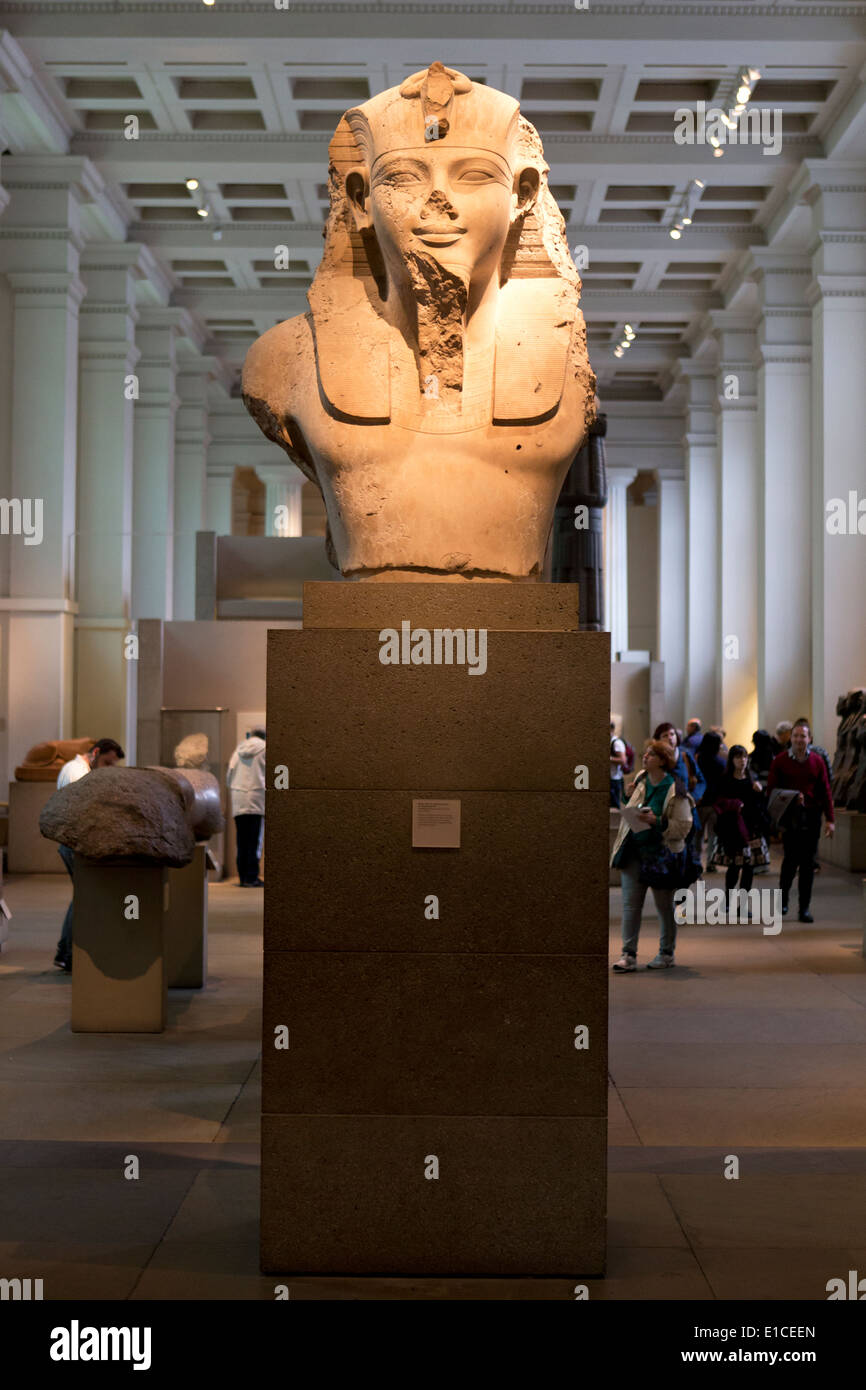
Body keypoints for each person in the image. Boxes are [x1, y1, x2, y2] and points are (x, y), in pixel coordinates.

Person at [610, 738, 694, 971]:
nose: (644, 757)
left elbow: (683, 826)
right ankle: (628, 955)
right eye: (645, 754)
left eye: (651, 755)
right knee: (630, 905)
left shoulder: (675, 789)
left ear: (663, 761)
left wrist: (656, 821)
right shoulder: (639, 780)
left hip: (661, 854)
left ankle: (666, 953)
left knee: (663, 905)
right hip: (634, 850)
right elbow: (629, 809)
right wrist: (628, 798)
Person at [54, 737, 125, 971]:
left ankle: (69, 952)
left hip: (78, 842)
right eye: (107, 762)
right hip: (75, 843)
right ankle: (67, 953)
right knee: (83, 897)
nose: (109, 769)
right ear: (95, 753)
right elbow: (84, 809)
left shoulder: (82, 771)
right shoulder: (76, 772)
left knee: (83, 896)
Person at [768, 720, 835, 922]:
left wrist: (830, 819)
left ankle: (804, 908)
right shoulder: (780, 761)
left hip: (812, 816)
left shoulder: (817, 761)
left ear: (809, 739)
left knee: (808, 864)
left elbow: (825, 791)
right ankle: (783, 901)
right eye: (795, 736)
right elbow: (771, 790)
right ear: (791, 738)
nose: (799, 740)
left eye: (802, 736)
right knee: (789, 862)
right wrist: (791, 796)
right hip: (790, 817)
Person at [707, 745, 770, 910]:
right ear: (732, 760)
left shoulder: (752, 779)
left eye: (744, 757)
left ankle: (742, 904)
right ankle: (728, 899)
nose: (742, 761)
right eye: (738, 757)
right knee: (734, 866)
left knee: (749, 867)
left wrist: (759, 792)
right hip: (732, 828)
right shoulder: (725, 780)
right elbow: (718, 802)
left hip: (751, 828)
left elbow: (759, 805)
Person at [227, 727, 266, 887]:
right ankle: (251, 877)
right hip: (257, 797)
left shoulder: (238, 751)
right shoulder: (264, 749)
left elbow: (229, 775)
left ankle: (242, 876)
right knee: (255, 840)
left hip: (239, 798)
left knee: (241, 840)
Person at [695, 730, 727, 869]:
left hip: (700, 801)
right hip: (715, 802)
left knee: (698, 835)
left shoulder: (698, 760)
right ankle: (711, 862)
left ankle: (695, 861)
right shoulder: (721, 762)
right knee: (714, 835)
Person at [610, 719, 627, 808]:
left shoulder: (616, 743)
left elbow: (623, 760)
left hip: (615, 779)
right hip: (611, 778)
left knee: (615, 807)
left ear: (611, 730)